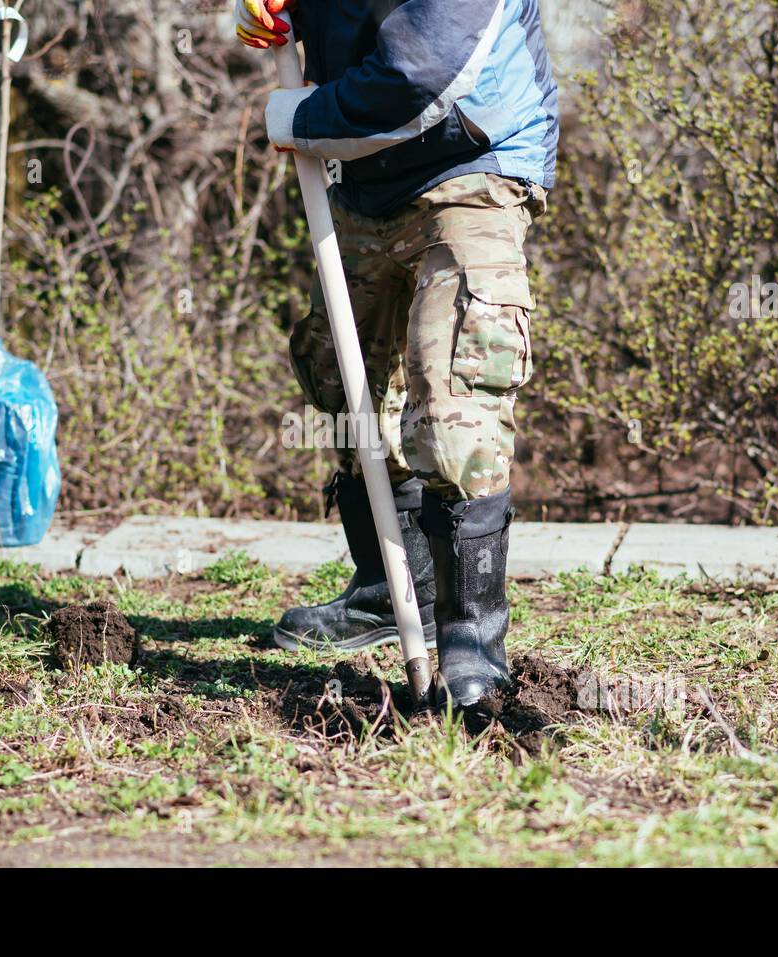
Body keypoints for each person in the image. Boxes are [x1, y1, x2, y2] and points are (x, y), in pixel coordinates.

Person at [234, 0, 559, 711]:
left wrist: (303, 118)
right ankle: (389, 591)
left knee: (455, 403)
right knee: (345, 378)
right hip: (367, 176)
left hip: (475, 162)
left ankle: (472, 649)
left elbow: (419, 70)